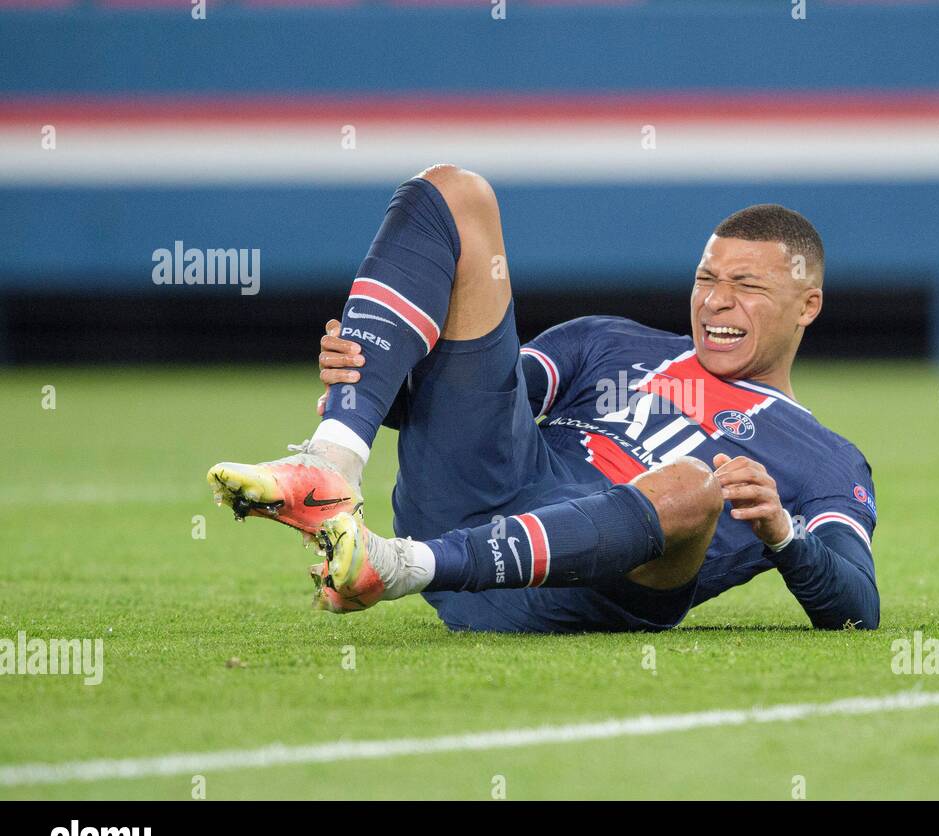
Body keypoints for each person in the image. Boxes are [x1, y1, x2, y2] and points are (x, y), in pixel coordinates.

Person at [207, 164, 879, 632]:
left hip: (583, 588)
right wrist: (371, 372)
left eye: (747, 286)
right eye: (707, 279)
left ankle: (398, 566)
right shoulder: (612, 340)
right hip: (474, 499)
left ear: (808, 306)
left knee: (692, 484)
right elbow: (461, 405)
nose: (716, 301)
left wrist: (783, 534)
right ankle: (330, 463)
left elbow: (858, 608)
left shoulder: (828, 460)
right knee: (456, 191)